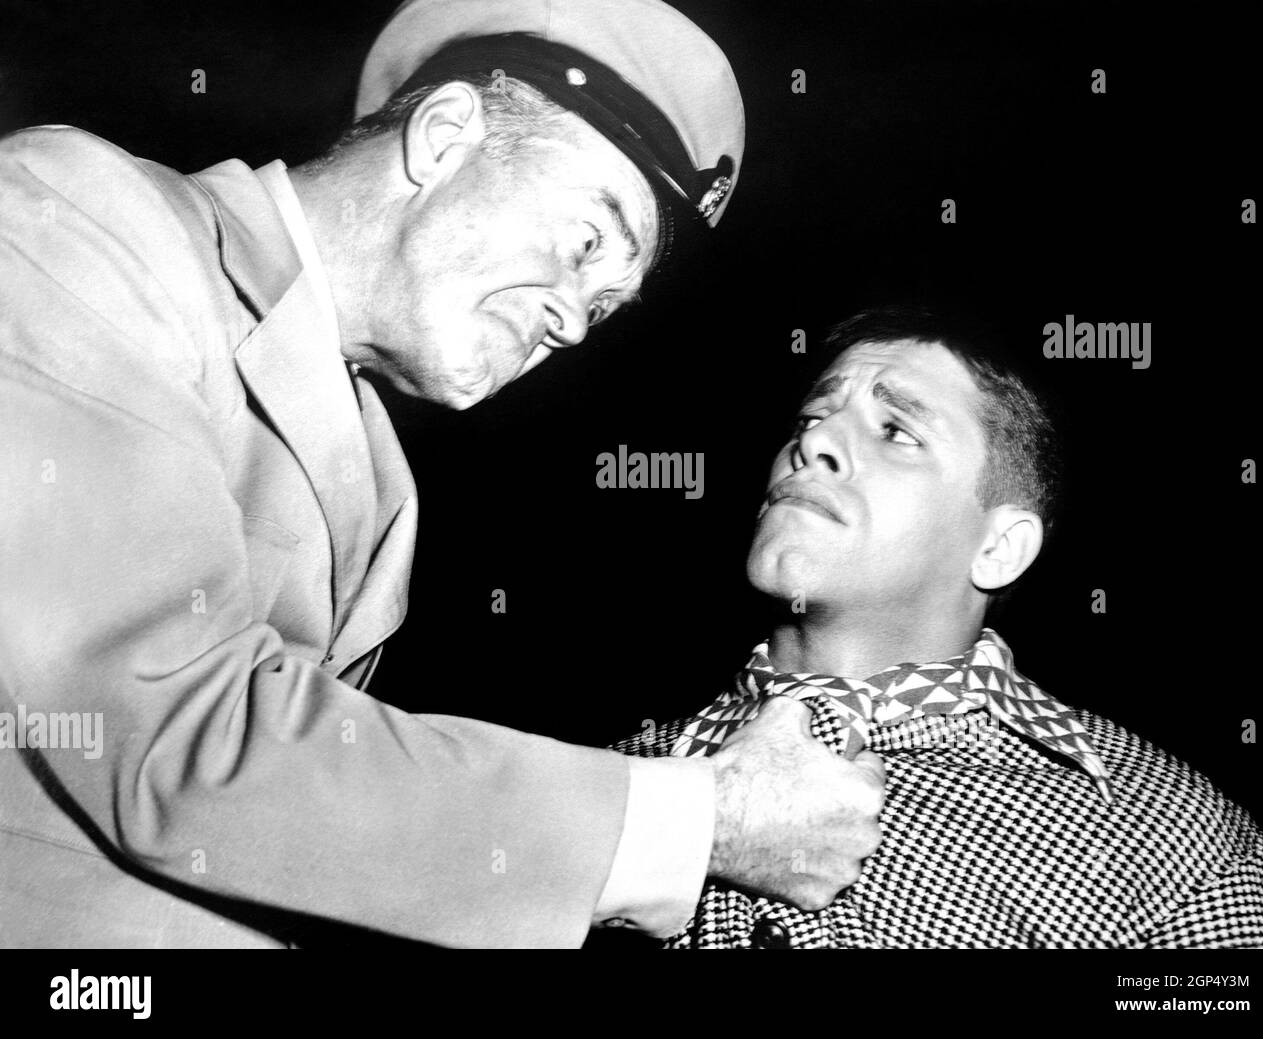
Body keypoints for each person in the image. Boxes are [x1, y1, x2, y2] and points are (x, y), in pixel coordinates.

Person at [0, 0, 885, 948]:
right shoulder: (75, 218)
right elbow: (169, 737)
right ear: (444, 134)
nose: (575, 323)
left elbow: (284, 840)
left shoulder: (384, 481)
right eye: (588, 243)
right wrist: (694, 818)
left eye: (607, 304)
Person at [613, 304, 1263, 949]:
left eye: (896, 432)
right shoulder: (618, 777)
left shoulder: (1169, 837)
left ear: (998, 548)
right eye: (809, 416)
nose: (814, 439)